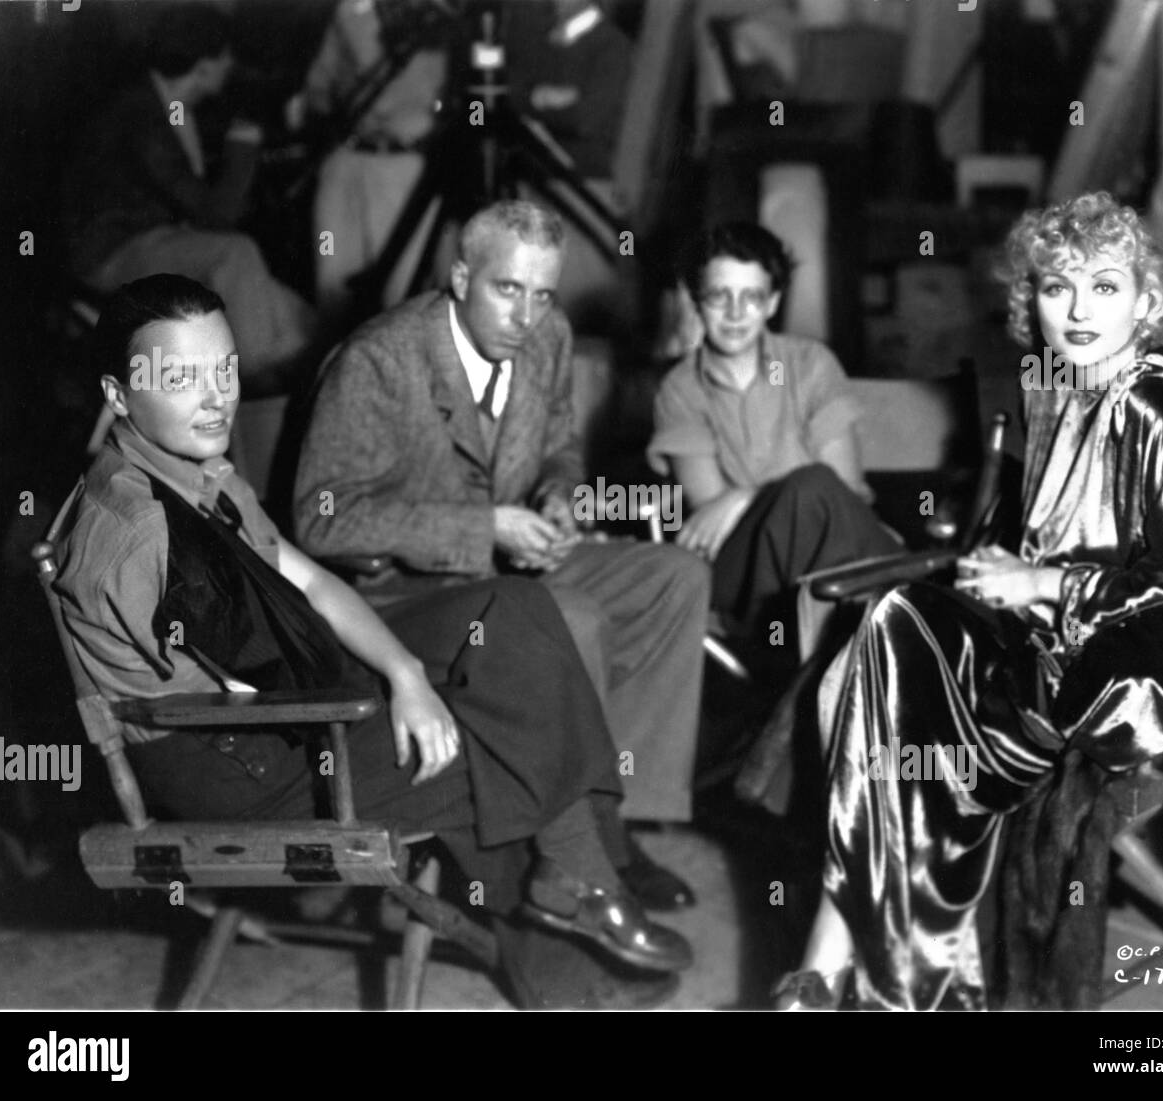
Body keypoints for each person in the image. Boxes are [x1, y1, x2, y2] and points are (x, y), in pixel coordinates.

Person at [55, 273, 692, 1010]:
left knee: (510, 607)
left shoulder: (195, 471)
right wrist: (414, 700)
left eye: (224, 368)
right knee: (490, 718)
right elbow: (262, 688)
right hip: (238, 763)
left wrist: (408, 673)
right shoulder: (142, 534)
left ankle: (572, 876)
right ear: (118, 393)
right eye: (180, 377)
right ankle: (561, 906)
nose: (216, 395)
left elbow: (314, 585)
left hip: (278, 695)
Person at [777, 192, 1163, 1011]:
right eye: (1055, 287)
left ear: (1145, 303)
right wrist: (1015, 568)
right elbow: (1055, 537)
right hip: (1063, 629)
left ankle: (862, 968)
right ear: (1028, 299)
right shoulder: (1057, 385)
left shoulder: (1157, 400)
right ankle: (887, 962)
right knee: (880, 645)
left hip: (1152, 659)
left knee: (895, 686)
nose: (1076, 311)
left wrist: (1042, 583)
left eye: (1104, 288)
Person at [292, 199, 709, 909]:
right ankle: (582, 855)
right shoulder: (378, 360)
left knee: (676, 578)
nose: (525, 315)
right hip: (401, 593)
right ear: (460, 277)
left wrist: (558, 493)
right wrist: (486, 525)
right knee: (569, 616)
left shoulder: (547, 339)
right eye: (506, 289)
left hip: (507, 566)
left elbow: (560, 447)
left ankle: (619, 818)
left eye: (542, 294)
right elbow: (322, 521)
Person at [648, 222, 899, 674]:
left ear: (774, 303)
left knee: (816, 492)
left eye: (753, 297)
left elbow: (841, 487)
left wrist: (744, 495)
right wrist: (756, 500)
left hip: (839, 541)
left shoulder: (809, 364)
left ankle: (827, 682)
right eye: (719, 295)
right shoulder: (681, 388)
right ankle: (844, 678)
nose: (736, 312)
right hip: (746, 573)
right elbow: (711, 518)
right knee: (813, 493)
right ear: (696, 301)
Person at [62, 4, 316, 393]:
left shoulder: (173, 106)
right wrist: (244, 148)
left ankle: (290, 376)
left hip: (151, 242)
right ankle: (255, 393)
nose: (232, 63)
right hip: (112, 255)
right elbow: (216, 217)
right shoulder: (139, 113)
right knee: (235, 254)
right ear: (205, 63)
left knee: (297, 316)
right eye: (226, 54)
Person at [301, 0, 450, 326]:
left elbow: (395, 97)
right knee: (330, 267)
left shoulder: (428, 17)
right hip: (344, 162)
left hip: (398, 167)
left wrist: (357, 22)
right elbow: (318, 88)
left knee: (398, 281)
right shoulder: (351, 14)